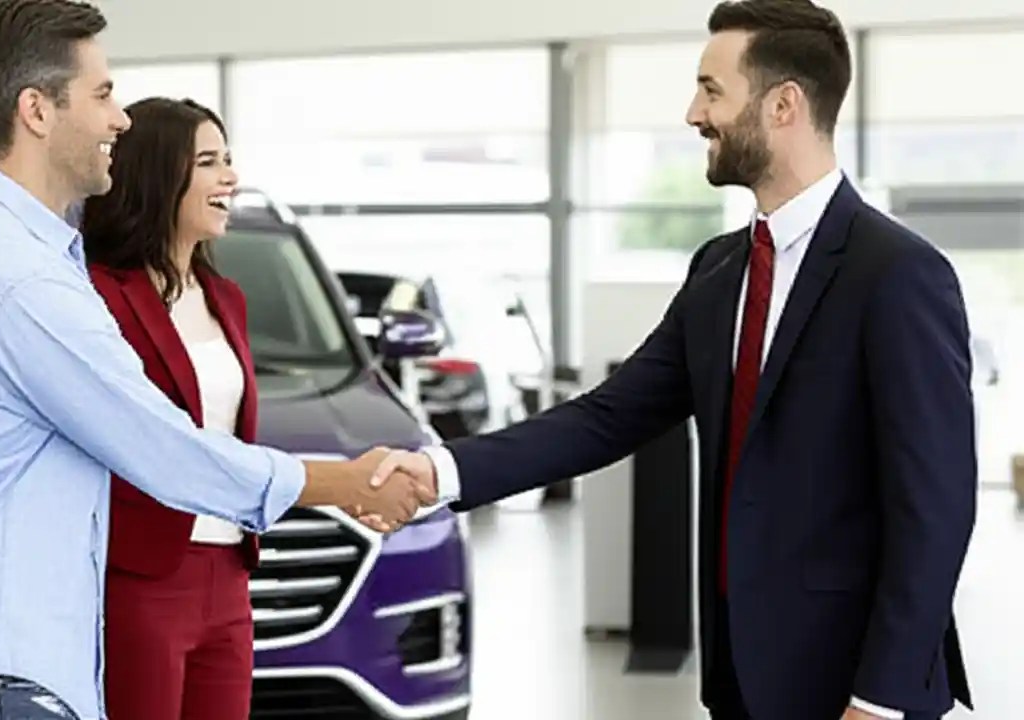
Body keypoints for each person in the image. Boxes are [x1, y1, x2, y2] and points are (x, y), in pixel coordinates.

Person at [374, 1, 977, 719]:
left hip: (852, 685)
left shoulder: (898, 273)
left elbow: (935, 509)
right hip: (740, 676)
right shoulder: (719, 270)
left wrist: (879, 700)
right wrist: (441, 470)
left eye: (712, 89)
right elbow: (608, 416)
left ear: (784, 104)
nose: (694, 113)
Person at [0, 3, 428, 720]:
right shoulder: (19, 281)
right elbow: (165, 451)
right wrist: (346, 481)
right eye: (101, 94)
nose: (120, 120)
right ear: (36, 110)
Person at [78, 97, 259, 720]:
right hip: (143, 579)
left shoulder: (226, 298)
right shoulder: (99, 295)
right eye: (208, 161)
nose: (229, 177)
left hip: (228, 572)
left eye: (228, 160)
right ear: (159, 176)